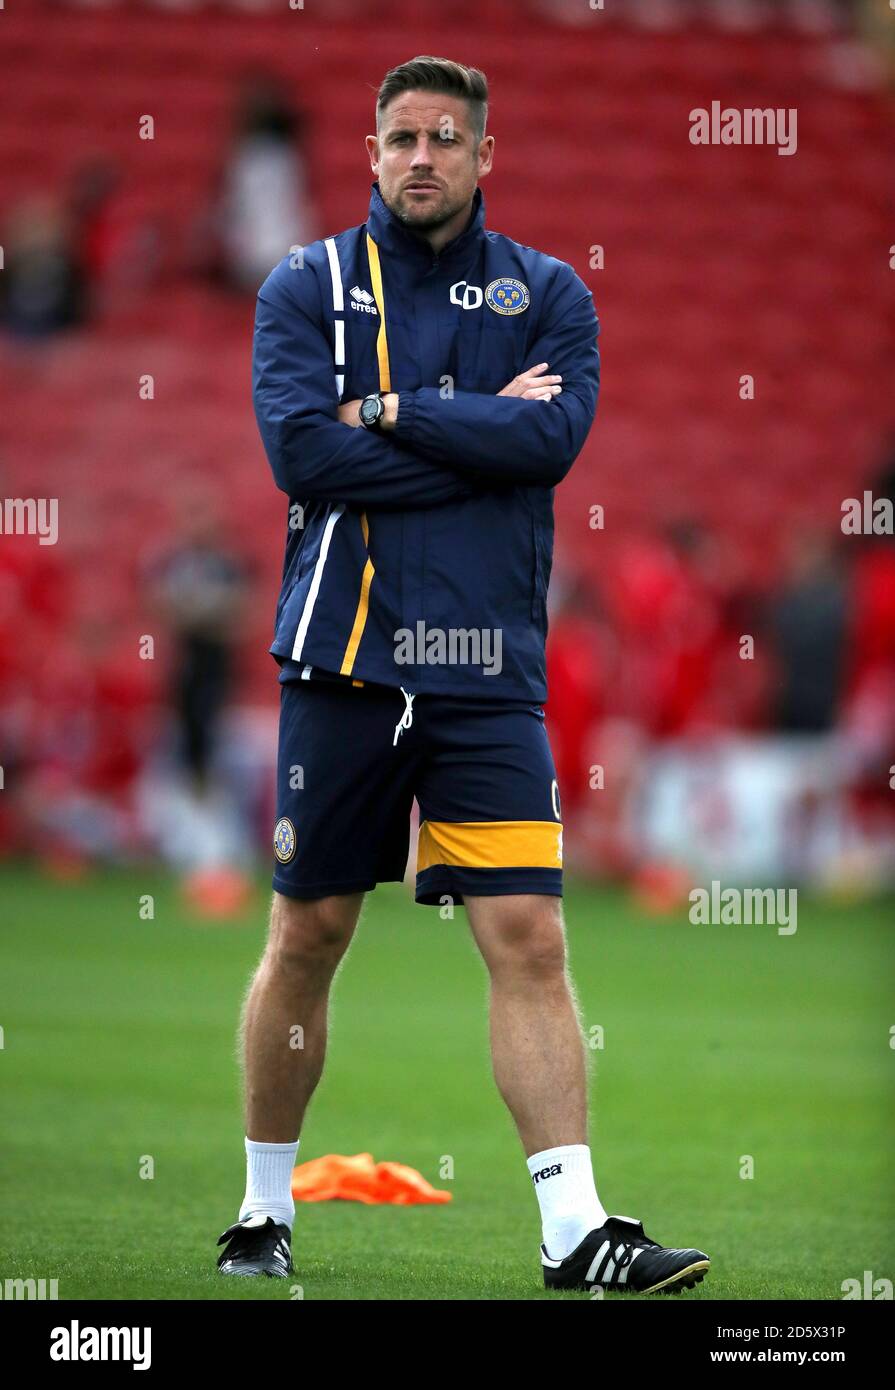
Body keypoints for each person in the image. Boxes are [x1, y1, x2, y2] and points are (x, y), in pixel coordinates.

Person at [217, 56, 710, 1296]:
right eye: (399, 138)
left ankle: (574, 1233)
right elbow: (299, 455)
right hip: (341, 664)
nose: (421, 157)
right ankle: (262, 1212)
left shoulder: (549, 292)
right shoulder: (305, 284)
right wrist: (468, 431)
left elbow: (547, 440)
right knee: (310, 932)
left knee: (530, 939)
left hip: (487, 676)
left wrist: (382, 413)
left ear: (485, 156)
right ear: (372, 154)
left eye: (446, 137)